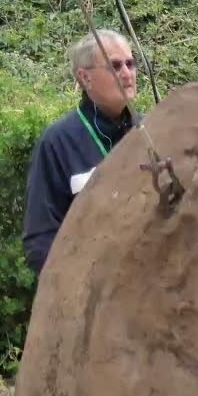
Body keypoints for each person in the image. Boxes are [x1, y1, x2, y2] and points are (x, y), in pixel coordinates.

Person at [23, 29, 139, 277]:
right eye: (115, 66)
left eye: (130, 64)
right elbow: (40, 240)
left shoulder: (151, 132)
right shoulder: (57, 142)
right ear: (84, 78)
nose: (127, 74)